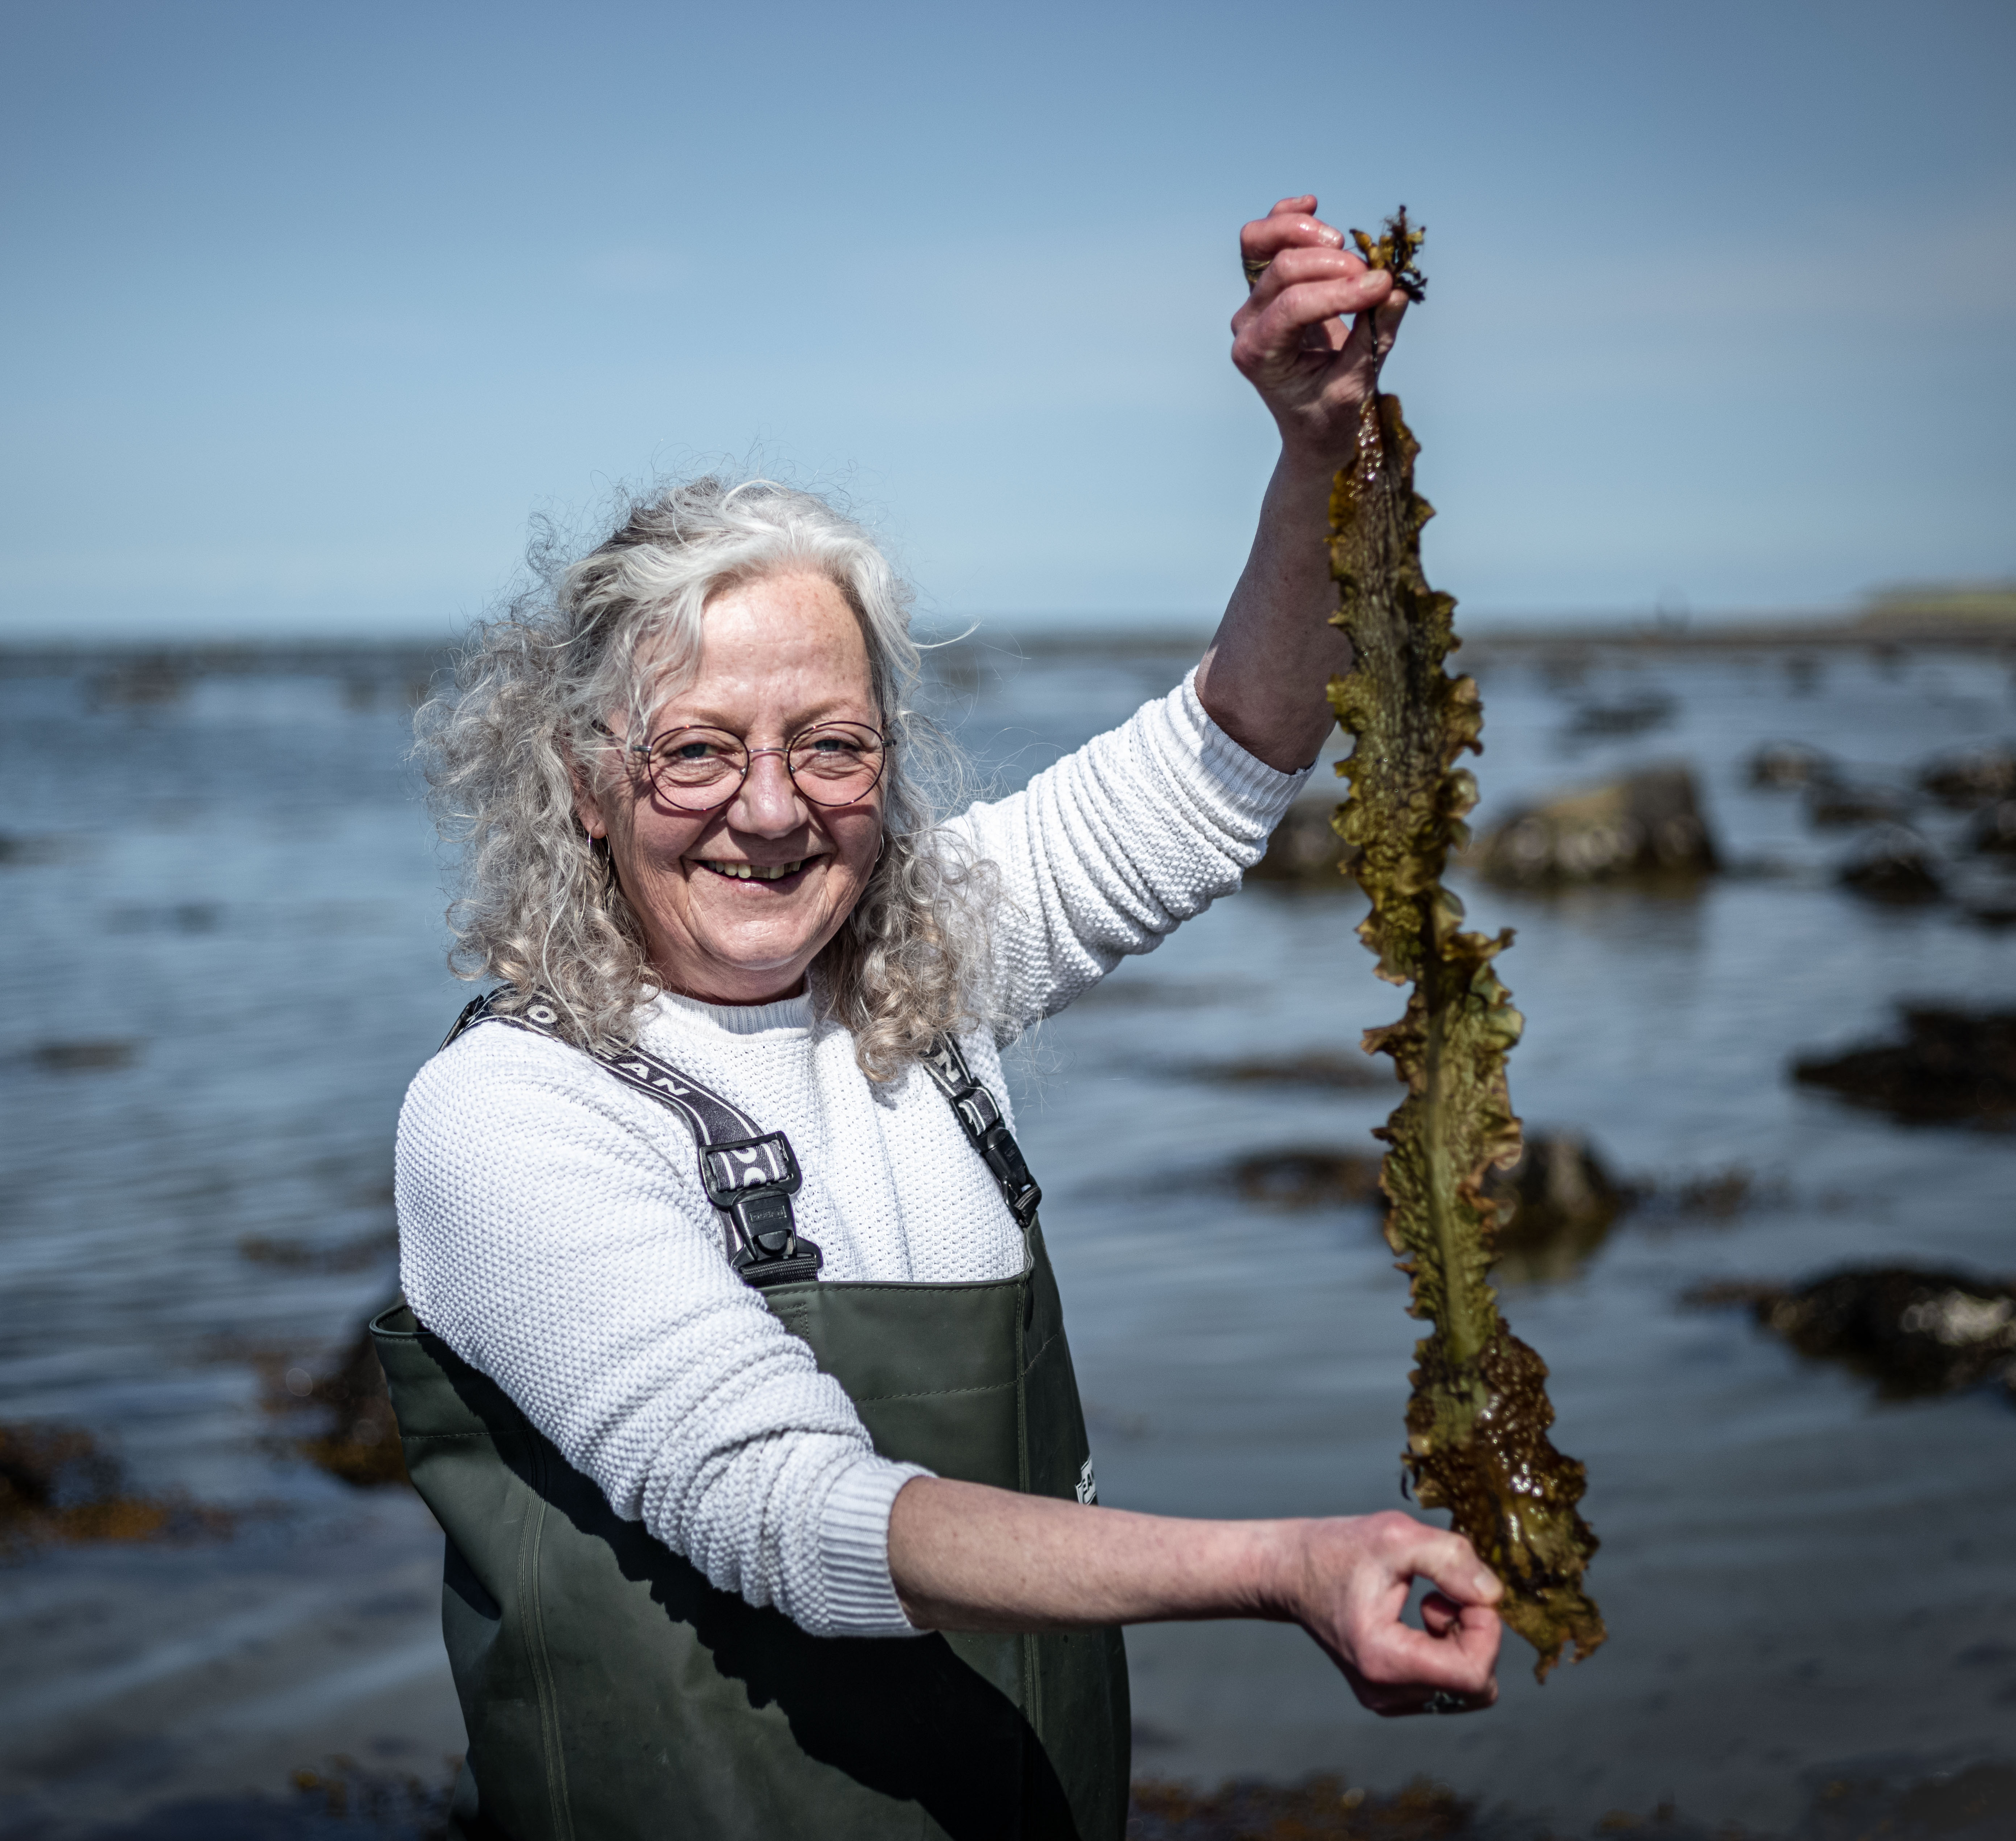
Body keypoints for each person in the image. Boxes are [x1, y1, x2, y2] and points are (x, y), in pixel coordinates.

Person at [378, 195, 1504, 1841]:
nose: (769, 812)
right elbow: (797, 1514)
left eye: (829, 744)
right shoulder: (510, 1114)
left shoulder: (927, 963)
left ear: (888, 763)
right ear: (584, 776)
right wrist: (1275, 1566)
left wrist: (1317, 446)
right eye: (696, 749)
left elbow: (1231, 756)